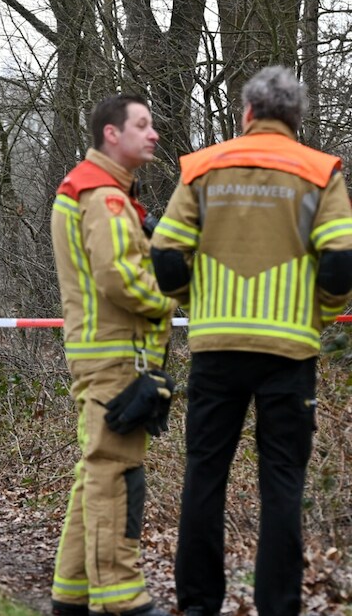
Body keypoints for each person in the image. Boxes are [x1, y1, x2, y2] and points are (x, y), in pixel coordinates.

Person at [151, 66, 352, 616]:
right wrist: (319, 313)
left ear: (247, 114)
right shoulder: (320, 172)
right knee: (283, 482)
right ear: (296, 118)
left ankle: (197, 606)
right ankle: (279, 607)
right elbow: (340, 266)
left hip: (217, 348)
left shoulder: (204, 167)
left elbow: (166, 257)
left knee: (204, 475)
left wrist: (200, 303)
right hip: (290, 352)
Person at [48, 94, 175, 616]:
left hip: (104, 350)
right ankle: (121, 598)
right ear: (111, 135)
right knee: (116, 471)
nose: (154, 134)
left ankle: (72, 594)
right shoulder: (103, 196)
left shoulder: (94, 188)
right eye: (142, 125)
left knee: (96, 467)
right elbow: (118, 276)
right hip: (116, 354)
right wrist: (172, 300)